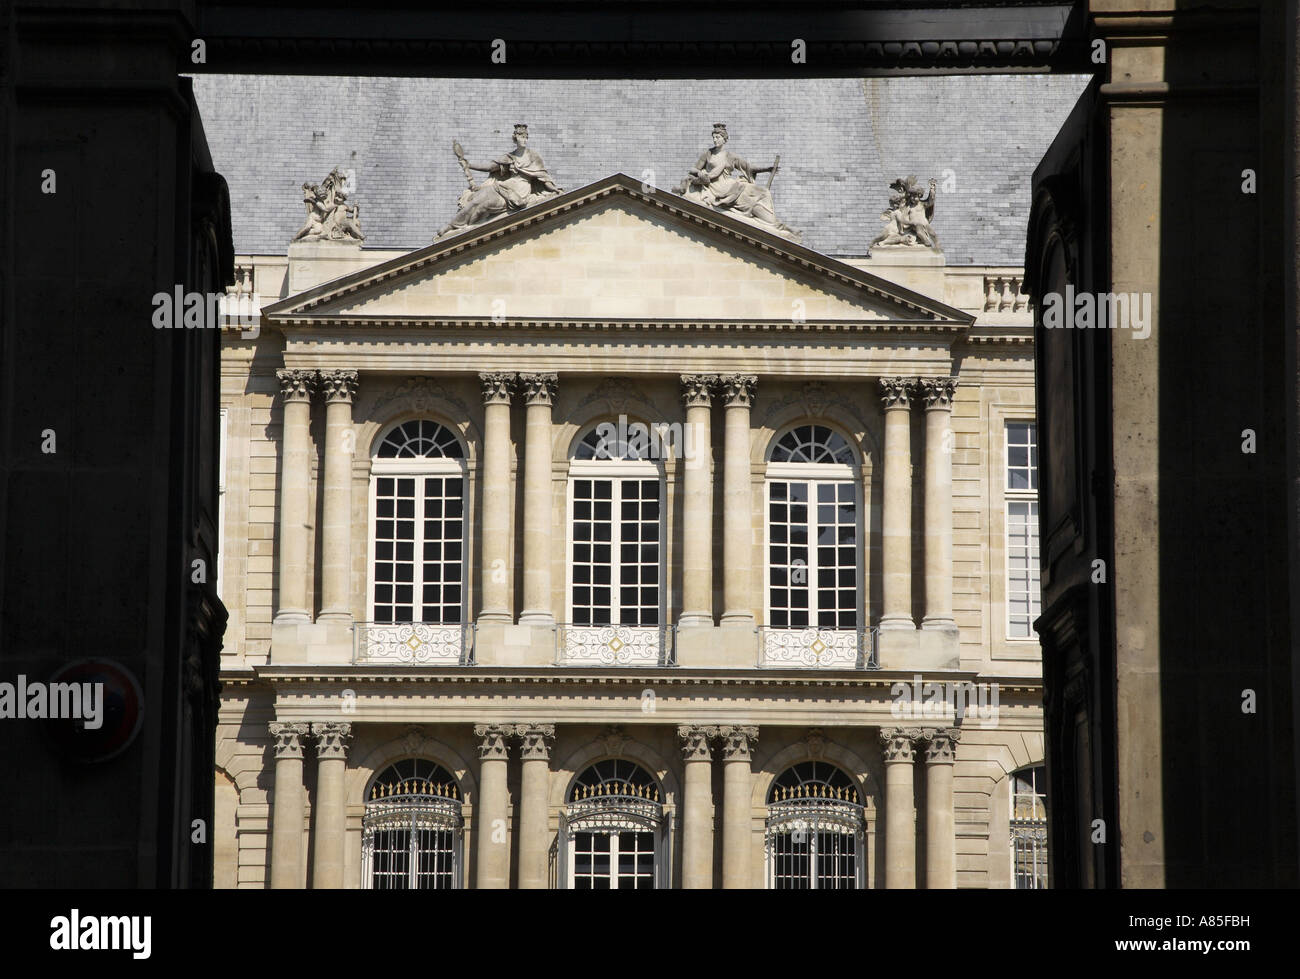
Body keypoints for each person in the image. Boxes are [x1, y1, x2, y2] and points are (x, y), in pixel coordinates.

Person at [436, 124, 563, 238]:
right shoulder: (510, 157)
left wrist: (555, 190)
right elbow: (490, 167)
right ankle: (452, 226)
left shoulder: (534, 157)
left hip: (519, 191)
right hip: (504, 186)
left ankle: (469, 228)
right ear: (515, 138)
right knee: (477, 200)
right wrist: (470, 165)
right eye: (521, 137)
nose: (524, 139)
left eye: (526, 137)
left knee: (484, 206)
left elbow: (544, 177)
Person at [675, 123, 799, 240]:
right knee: (750, 202)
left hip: (730, 185)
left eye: (718, 137)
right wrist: (700, 173)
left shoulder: (730, 156)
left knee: (762, 192)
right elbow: (693, 169)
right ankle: (777, 226)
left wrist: (767, 169)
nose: (715, 140)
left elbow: (748, 167)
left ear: (724, 139)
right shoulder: (708, 154)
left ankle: (777, 225)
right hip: (715, 187)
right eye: (714, 137)